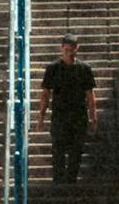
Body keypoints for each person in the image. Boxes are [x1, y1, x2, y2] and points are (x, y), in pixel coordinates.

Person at [39, 42, 96, 184]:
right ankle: (58, 182)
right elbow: (45, 94)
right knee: (58, 149)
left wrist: (94, 117)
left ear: (77, 48)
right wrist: (41, 116)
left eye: (72, 50)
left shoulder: (84, 69)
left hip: (79, 116)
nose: (69, 53)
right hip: (60, 115)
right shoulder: (53, 68)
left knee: (76, 150)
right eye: (67, 50)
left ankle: (71, 181)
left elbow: (90, 94)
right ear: (62, 49)